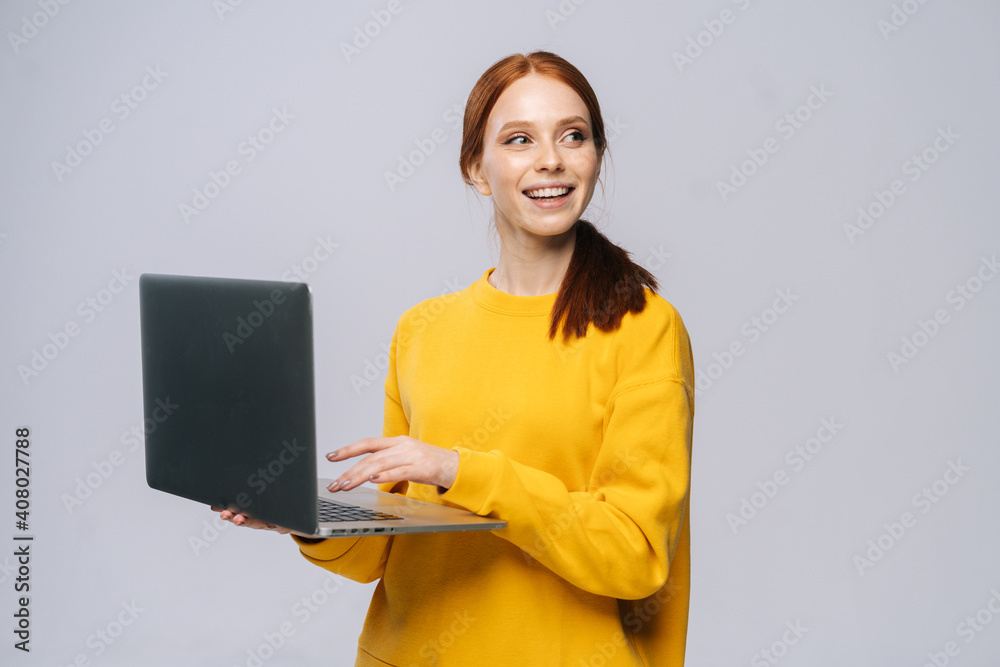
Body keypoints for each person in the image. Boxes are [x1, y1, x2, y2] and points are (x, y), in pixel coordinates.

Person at [215, 50, 695, 667]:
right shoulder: (422, 330)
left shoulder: (644, 327)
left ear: (595, 156)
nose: (550, 158)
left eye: (572, 136)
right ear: (476, 167)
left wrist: (459, 469)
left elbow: (634, 554)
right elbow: (378, 554)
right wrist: (305, 520)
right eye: (519, 139)